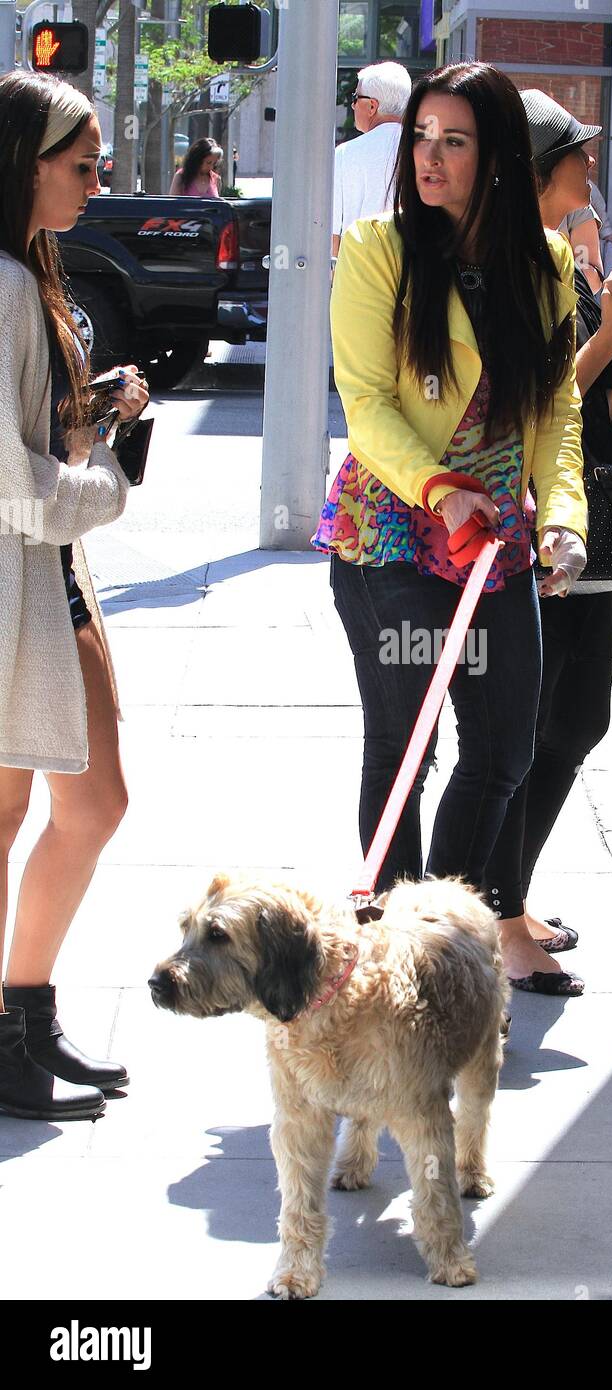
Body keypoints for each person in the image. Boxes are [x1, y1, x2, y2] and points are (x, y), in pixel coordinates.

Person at [314, 62, 588, 991]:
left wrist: (562, 520)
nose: (428, 158)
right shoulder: (378, 250)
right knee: (406, 748)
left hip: (499, 544)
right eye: (421, 138)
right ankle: (396, 962)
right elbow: (363, 404)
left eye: (454, 141)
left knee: (506, 745)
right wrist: (439, 487)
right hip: (393, 532)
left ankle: (441, 939)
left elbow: (556, 414)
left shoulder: (544, 262)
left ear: (499, 158)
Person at [0, 73, 149, 1121]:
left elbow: (31, 436)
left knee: (83, 804)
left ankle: (24, 1018)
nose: (99, 185)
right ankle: (14, 1034)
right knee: (22, 810)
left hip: (47, 581)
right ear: (26, 161)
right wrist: (114, 479)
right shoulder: (7, 283)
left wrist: (94, 408)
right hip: (24, 571)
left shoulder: (29, 272)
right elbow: (18, 487)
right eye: (82, 166)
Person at [480, 90, 612, 984]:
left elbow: (609, 409)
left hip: (588, 518)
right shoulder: (511, 267)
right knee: (522, 724)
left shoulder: (570, 266)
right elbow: (532, 406)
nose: (593, 166)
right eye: (579, 155)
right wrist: (607, 338)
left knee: (579, 718)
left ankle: (510, 901)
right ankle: (498, 923)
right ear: (542, 171)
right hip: (532, 525)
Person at [331, 61, 412, 262]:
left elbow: (332, 234)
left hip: (359, 273)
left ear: (372, 106)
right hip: (413, 271)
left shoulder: (345, 153)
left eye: (356, 97)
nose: (352, 104)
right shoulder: (425, 149)